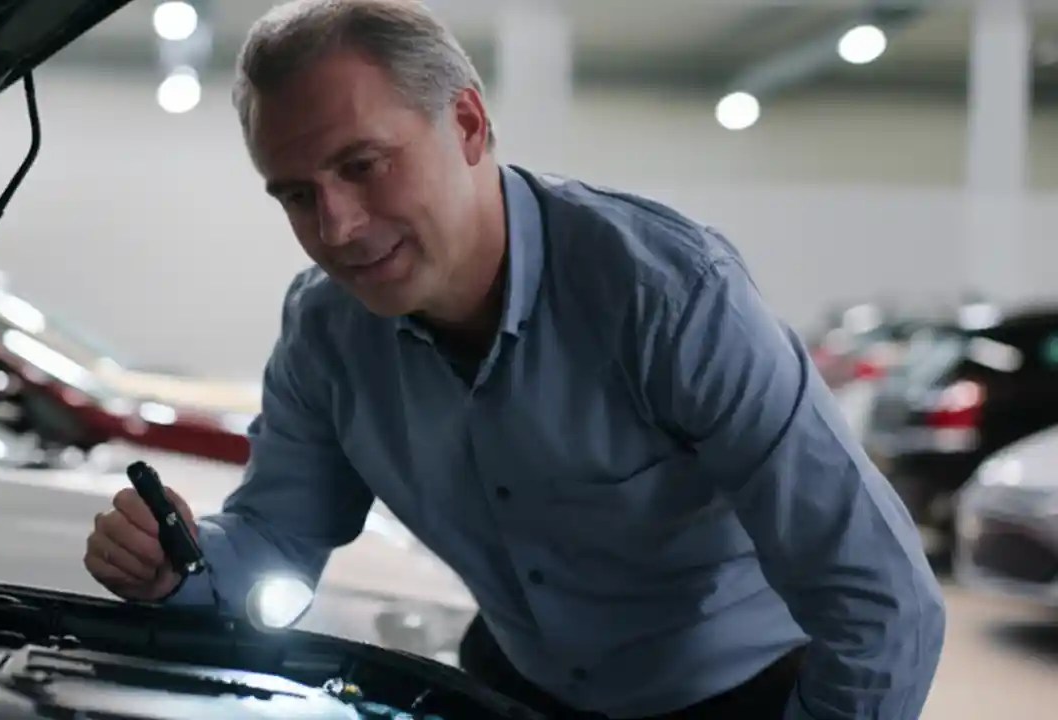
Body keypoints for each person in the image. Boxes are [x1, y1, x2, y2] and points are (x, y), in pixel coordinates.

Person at [83, 1, 946, 718]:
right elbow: (276, 540)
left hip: (739, 697)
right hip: (517, 685)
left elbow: (881, 602)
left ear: (466, 122)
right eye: (298, 195)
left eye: (363, 166)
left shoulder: (670, 298)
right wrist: (179, 570)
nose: (335, 227)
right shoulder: (326, 330)